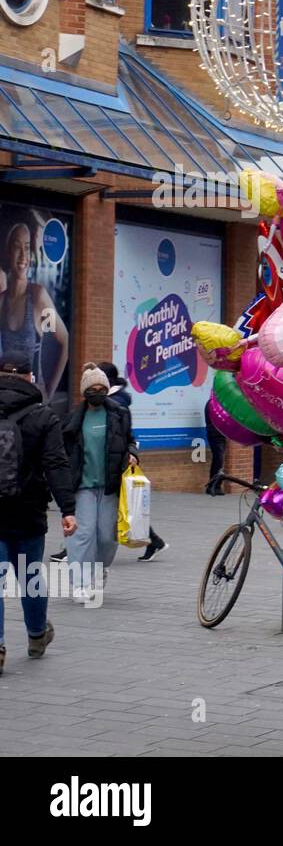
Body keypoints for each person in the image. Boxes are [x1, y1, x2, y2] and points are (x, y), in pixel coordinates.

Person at [0, 351, 74, 675]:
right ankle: (36, 635)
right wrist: (68, 509)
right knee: (30, 578)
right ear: (31, 377)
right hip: (29, 512)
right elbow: (56, 464)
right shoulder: (45, 417)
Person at [63, 363, 136, 601]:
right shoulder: (74, 418)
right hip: (82, 484)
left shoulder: (119, 414)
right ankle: (79, 584)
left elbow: (130, 440)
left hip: (110, 484)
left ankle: (100, 568)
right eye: (92, 388)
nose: (97, 391)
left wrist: (133, 453)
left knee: (107, 535)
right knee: (83, 534)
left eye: (101, 387)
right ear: (85, 391)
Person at [97, 362, 166, 562]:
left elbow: (124, 434)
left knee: (123, 503)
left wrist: (131, 451)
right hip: (110, 459)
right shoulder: (112, 399)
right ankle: (154, 541)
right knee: (123, 503)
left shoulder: (116, 402)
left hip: (116, 460)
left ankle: (153, 540)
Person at [0, 219, 69, 404]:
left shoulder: (38, 297)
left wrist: (49, 393)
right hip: (6, 403)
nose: (23, 255)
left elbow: (64, 340)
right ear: (8, 252)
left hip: (33, 405)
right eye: (16, 247)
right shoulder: (1, 302)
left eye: (27, 247)